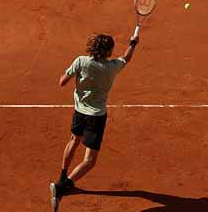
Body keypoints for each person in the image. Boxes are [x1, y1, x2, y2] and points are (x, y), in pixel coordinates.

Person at [52, 28, 141, 208]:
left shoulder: (80, 61)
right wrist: (133, 43)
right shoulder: (111, 67)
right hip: (96, 117)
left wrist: (71, 74)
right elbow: (127, 58)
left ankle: (63, 175)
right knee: (90, 161)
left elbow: (62, 82)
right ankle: (63, 186)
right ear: (108, 51)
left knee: (73, 140)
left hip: (79, 112)